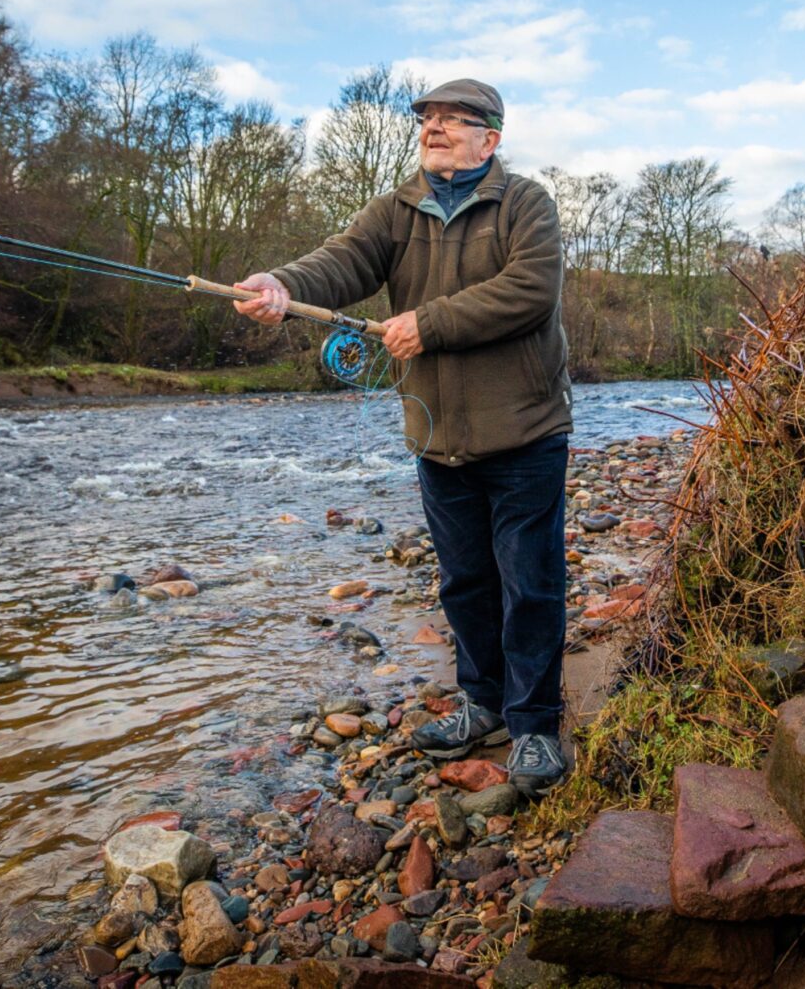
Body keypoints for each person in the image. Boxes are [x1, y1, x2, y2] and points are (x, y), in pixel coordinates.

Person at [232, 78, 572, 795]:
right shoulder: (395, 210)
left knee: (531, 584)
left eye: (454, 119)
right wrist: (281, 287)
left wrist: (429, 321)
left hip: (525, 432)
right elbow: (342, 259)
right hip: (437, 434)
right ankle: (482, 704)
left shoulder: (526, 204)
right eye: (427, 118)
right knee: (464, 581)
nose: (434, 127)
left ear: (492, 138)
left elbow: (531, 290)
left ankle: (536, 724)